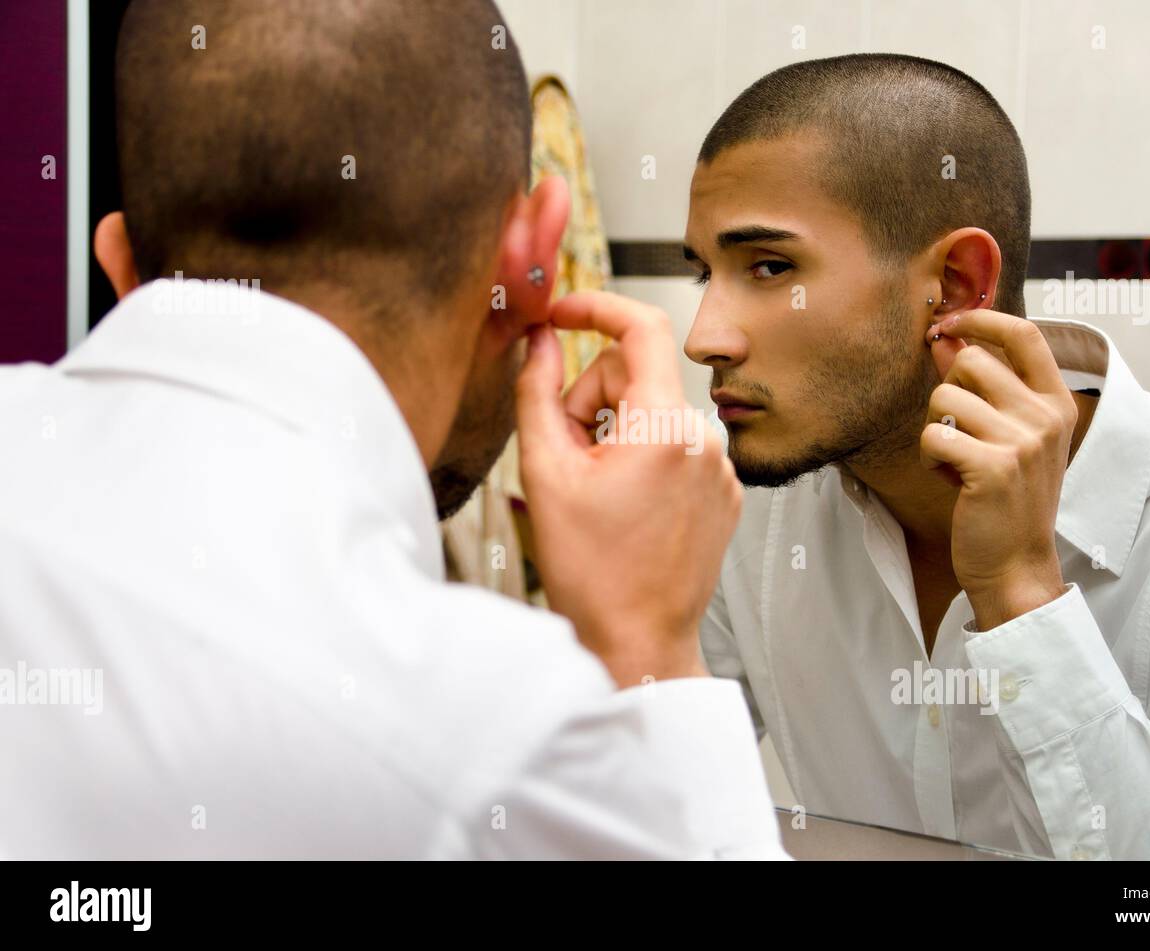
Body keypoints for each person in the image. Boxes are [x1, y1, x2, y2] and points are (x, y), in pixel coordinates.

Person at [0, 0, 785, 859]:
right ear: (532, 265)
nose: (709, 334)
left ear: (121, 265)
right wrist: (650, 647)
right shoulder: (497, 735)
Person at [682, 53, 1150, 859]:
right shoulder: (754, 511)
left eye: (770, 267)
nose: (702, 337)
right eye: (703, 271)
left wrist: (1022, 594)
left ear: (956, 282)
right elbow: (645, 813)